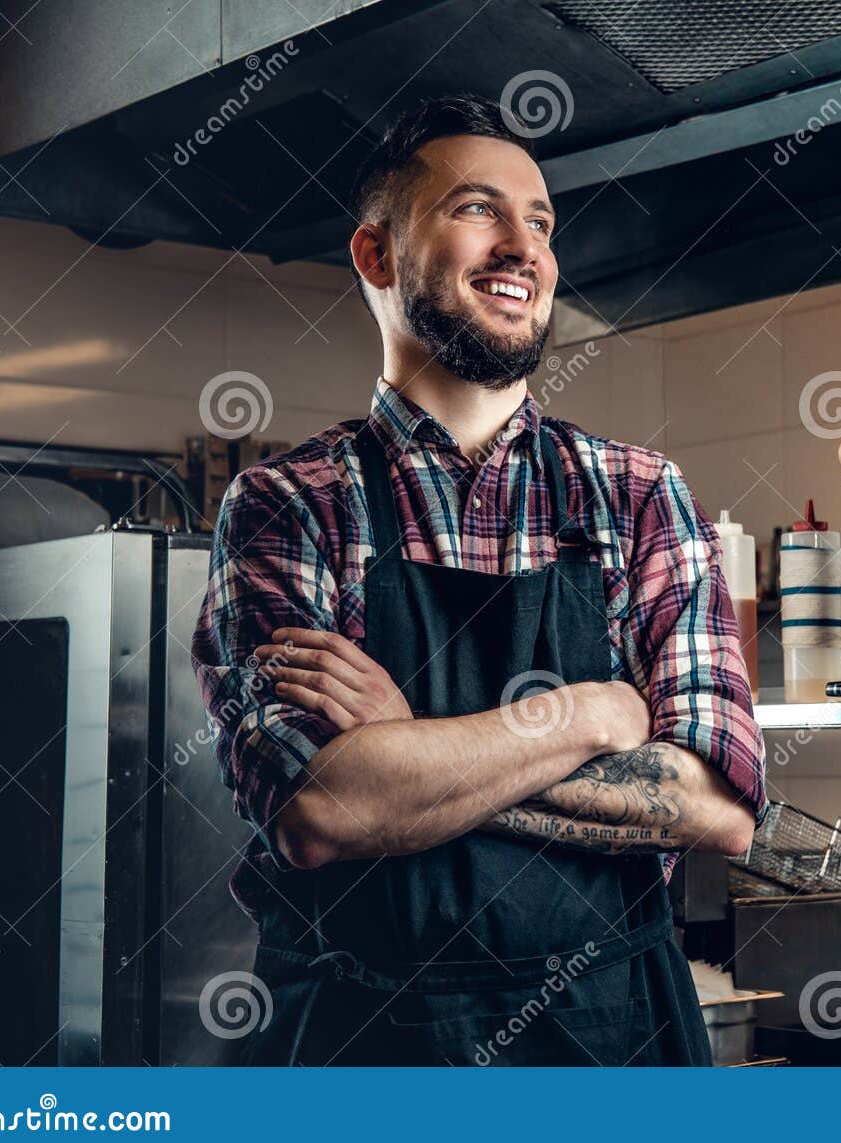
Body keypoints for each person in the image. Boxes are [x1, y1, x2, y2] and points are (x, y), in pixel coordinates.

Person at [190, 93, 766, 1066]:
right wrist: (593, 712)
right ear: (375, 255)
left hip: (612, 1044)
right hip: (364, 1054)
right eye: (476, 208)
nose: (523, 247)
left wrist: (402, 752)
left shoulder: (636, 493)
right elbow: (320, 812)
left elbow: (716, 803)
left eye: (538, 221)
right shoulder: (287, 504)